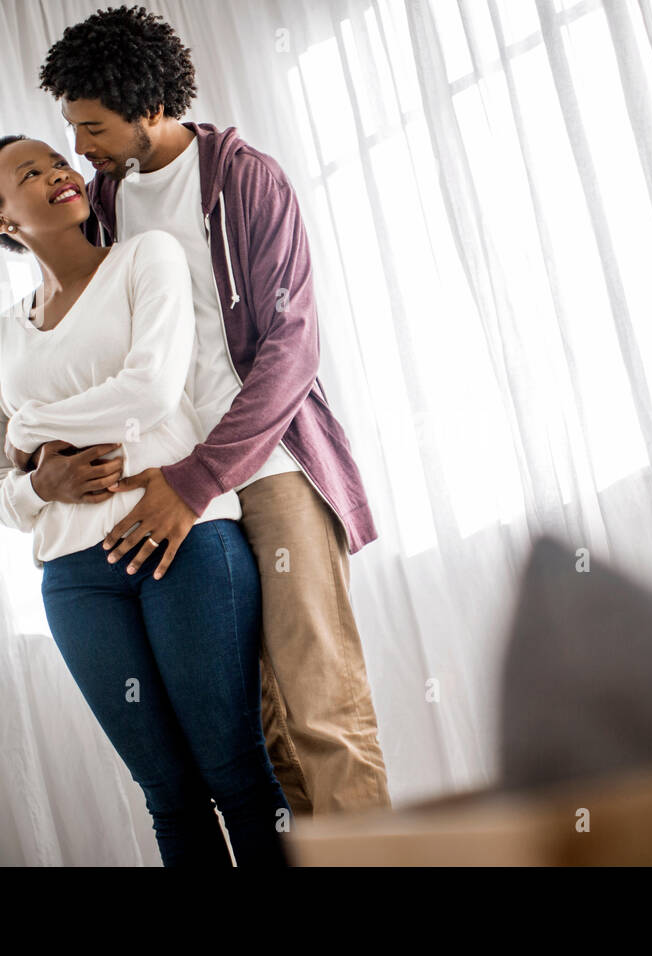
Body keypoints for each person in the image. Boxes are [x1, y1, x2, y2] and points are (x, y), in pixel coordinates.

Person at [33, 4, 390, 815]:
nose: (79, 148)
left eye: (92, 127)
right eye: (72, 128)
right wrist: (42, 458)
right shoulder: (104, 205)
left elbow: (292, 349)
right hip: (179, 487)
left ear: (150, 107)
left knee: (322, 711)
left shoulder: (246, 179)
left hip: (265, 469)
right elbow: (75, 339)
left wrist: (197, 479)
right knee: (259, 733)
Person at [0, 133, 290, 866]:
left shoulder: (146, 259)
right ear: (1, 221)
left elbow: (150, 391)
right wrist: (40, 485)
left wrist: (31, 427)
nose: (59, 172)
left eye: (58, 161)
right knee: (169, 796)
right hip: (77, 578)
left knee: (237, 773)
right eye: (30, 173)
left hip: (184, 542)